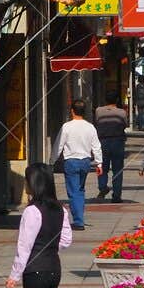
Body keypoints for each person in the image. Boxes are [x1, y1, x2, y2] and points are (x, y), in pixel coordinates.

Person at [52, 99, 103, 230]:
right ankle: (79, 217)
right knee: (80, 190)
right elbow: (96, 146)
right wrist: (99, 163)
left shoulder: (67, 127)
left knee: (73, 192)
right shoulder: (90, 127)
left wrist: (52, 161)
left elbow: (59, 146)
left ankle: (79, 220)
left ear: (72, 111)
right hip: (85, 162)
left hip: (71, 162)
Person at [94, 95, 130, 202]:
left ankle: (102, 187)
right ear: (117, 100)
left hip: (103, 141)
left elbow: (97, 122)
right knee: (117, 170)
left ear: (105, 100)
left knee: (102, 167)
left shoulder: (98, 111)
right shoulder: (122, 112)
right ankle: (117, 196)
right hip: (117, 142)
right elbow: (125, 125)